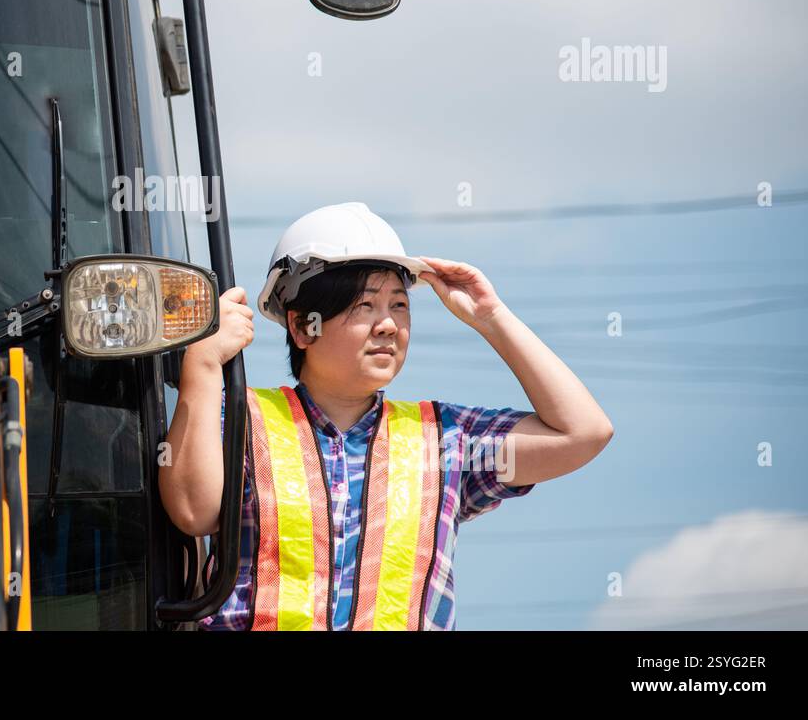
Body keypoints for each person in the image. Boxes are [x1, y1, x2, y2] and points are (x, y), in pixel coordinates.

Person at [159, 201, 613, 630]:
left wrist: (491, 317)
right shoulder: (240, 419)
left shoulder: (445, 440)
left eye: (399, 304)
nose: (389, 324)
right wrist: (201, 366)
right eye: (365, 305)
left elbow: (584, 432)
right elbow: (192, 512)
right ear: (301, 326)